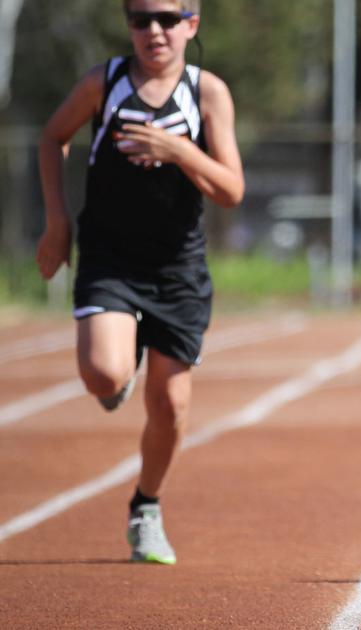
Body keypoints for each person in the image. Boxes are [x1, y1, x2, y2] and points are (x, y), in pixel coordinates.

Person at [35, 0, 244, 564]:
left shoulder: (206, 93)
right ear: (128, 25)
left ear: (191, 24)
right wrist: (56, 222)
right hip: (110, 259)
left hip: (177, 268)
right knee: (103, 374)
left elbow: (231, 190)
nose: (154, 30)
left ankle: (145, 507)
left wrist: (179, 150)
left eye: (168, 18)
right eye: (140, 19)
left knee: (170, 405)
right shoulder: (103, 83)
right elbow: (52, 138)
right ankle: (118, 367)